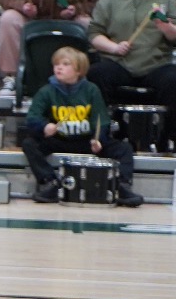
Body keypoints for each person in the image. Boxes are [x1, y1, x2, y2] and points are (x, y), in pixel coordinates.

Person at [86, 0, 176, 149]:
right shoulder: (110, 2)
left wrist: (165, 26)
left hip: (155, 64)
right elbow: (94, 35)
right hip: (119, 63)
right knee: (97, 74)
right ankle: (102, 133)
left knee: (175, 81)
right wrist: (114, 47)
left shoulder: (167, 2)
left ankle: (173, 138)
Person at [21, 47, 141, 206]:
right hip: (59, 139)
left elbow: (101, 120)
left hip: (86, 142)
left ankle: (121, 186)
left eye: (65, 64)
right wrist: (44, 126)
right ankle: (51, 182)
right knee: (29, 144)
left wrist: (98, 139)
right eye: (56, 64)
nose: (59, 67)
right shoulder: (47, 91)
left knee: (125, 148)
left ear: (79, 70)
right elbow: (32, 118)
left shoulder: (91, 90)